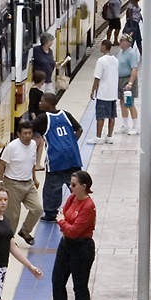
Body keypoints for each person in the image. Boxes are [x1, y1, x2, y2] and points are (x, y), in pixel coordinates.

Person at [41, 169, 96, 300]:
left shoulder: (89, 206)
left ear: (84, 187)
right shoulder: (72, 198)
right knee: (57, 281)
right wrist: (64, 222)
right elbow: (63, 215)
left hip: (81, 248)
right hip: (66, 245)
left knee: (79, 287)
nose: (70, 188)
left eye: (73, 185)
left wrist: (62, 222)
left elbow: (74, 230)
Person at [0, 115, 44, 241]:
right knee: (13, 216)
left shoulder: (33, 144)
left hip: (28, 183)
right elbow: (2, 164)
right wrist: (0, 181)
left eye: (30, 133)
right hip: (12, 184)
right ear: (18, 134)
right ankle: (8, 240)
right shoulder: (11, 147)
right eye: (25, 133)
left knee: (37, 209)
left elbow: (32, 162)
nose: (28, 136)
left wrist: (34, 178)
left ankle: (25, 231)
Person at [39, 93, 83, 221]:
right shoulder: (66, 114)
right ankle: (81, 210)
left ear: (49, 103)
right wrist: (72, 143)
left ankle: (51, 214)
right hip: (72, 158)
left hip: (56, 161)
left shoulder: (43, 118)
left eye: (42, 101)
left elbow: (30, 129)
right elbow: (79, 129)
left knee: (51, 189)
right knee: (76, 186)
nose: (40, 103)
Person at [90, 39, 120, 143]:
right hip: (113, 93)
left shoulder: (101, 61)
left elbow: (97, 77)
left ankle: (98, 137)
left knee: (100, 116)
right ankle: (109, 136)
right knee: (112, 116)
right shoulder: (115, 60)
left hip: (103, 93)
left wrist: (93, 90)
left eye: (101, 46)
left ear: (103, 46)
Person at [116, 33, 140, 136]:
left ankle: (135, 126)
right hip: (120, 80)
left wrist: (130, 83)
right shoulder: (121, 52)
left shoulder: (131, 53)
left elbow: (134, 69)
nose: (120, 43)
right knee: (122, 103)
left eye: (122, 41)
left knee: (129, 103)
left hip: (128, 81)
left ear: (127, 43)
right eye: (120, 41)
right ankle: (125, 125)